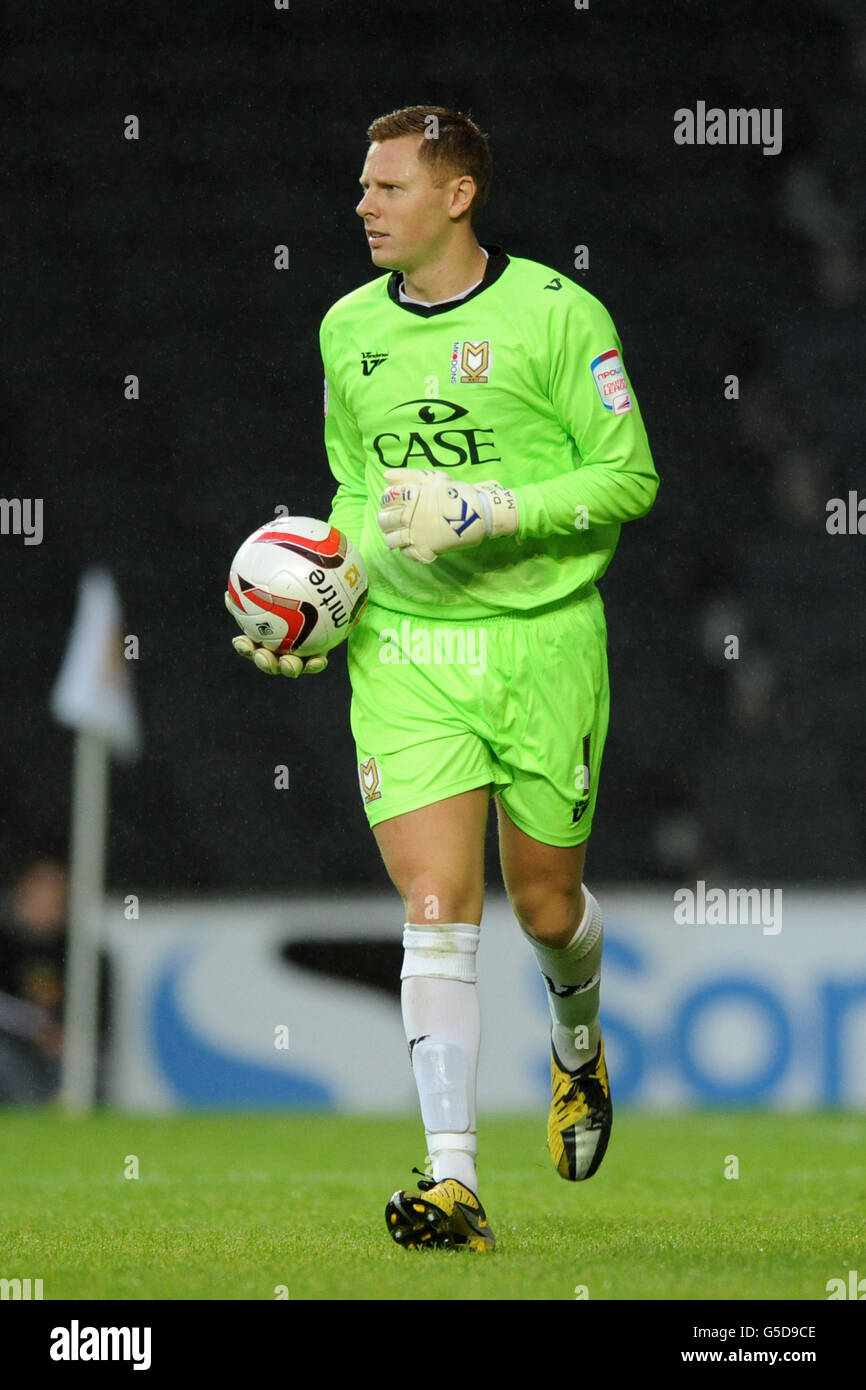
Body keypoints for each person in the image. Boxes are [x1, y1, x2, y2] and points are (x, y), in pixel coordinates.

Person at [231, 105, 659, 1251]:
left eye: (386, 188)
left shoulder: (558, 317)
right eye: (362, 188)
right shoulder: (343, 330)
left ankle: (577, 1042)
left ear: (455, 195)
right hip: (410, 655)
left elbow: (626, 479)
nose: (362, 206)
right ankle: (452, 1180)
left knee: (544, 905)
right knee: (435, 914)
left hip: (542, 641)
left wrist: (493, 508)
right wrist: (321, 603)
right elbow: (356, 490)